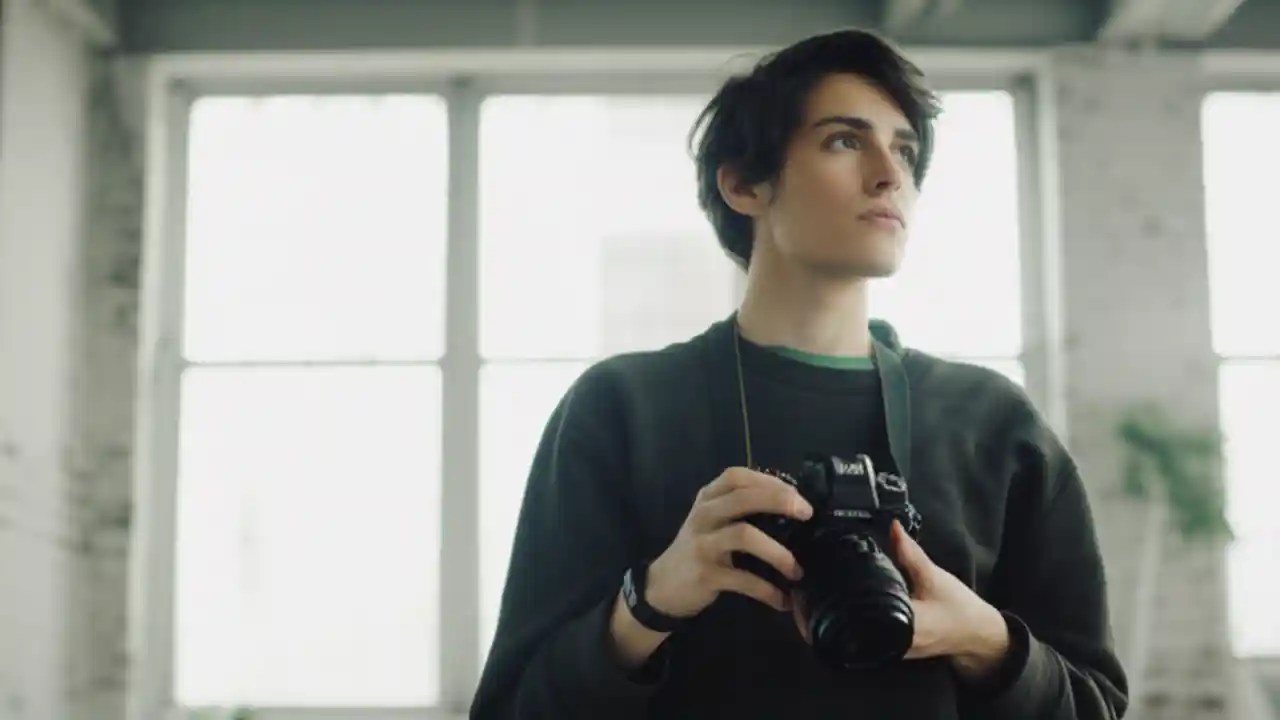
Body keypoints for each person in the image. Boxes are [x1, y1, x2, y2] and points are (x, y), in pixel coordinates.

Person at [470, 27, 1128, 720]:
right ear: (744, 183)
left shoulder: (994, 424)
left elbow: (1100, 710)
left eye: (904, 150)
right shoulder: (621, 409)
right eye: (845, 140)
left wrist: (983, 638)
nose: (889, 174)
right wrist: (653, 599)